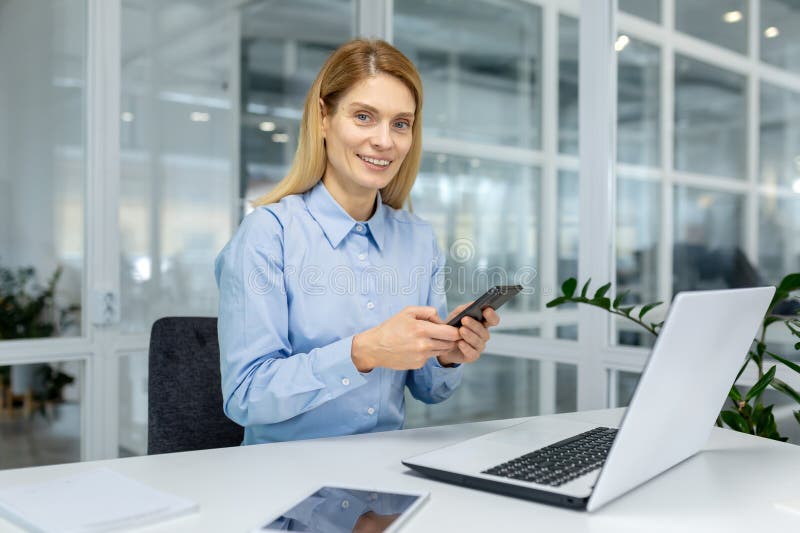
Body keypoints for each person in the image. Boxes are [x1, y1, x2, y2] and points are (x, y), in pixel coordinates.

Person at [215, 39, 500, 445]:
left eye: (401, 123)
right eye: (364, 116)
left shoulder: (418, 239)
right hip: (284, 481)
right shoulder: (267, 234)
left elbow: (428, 390)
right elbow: (246, 396)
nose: (385, 140)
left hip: (383, 479)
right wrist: (362, 352)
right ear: (323, 118)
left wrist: (445, 355)